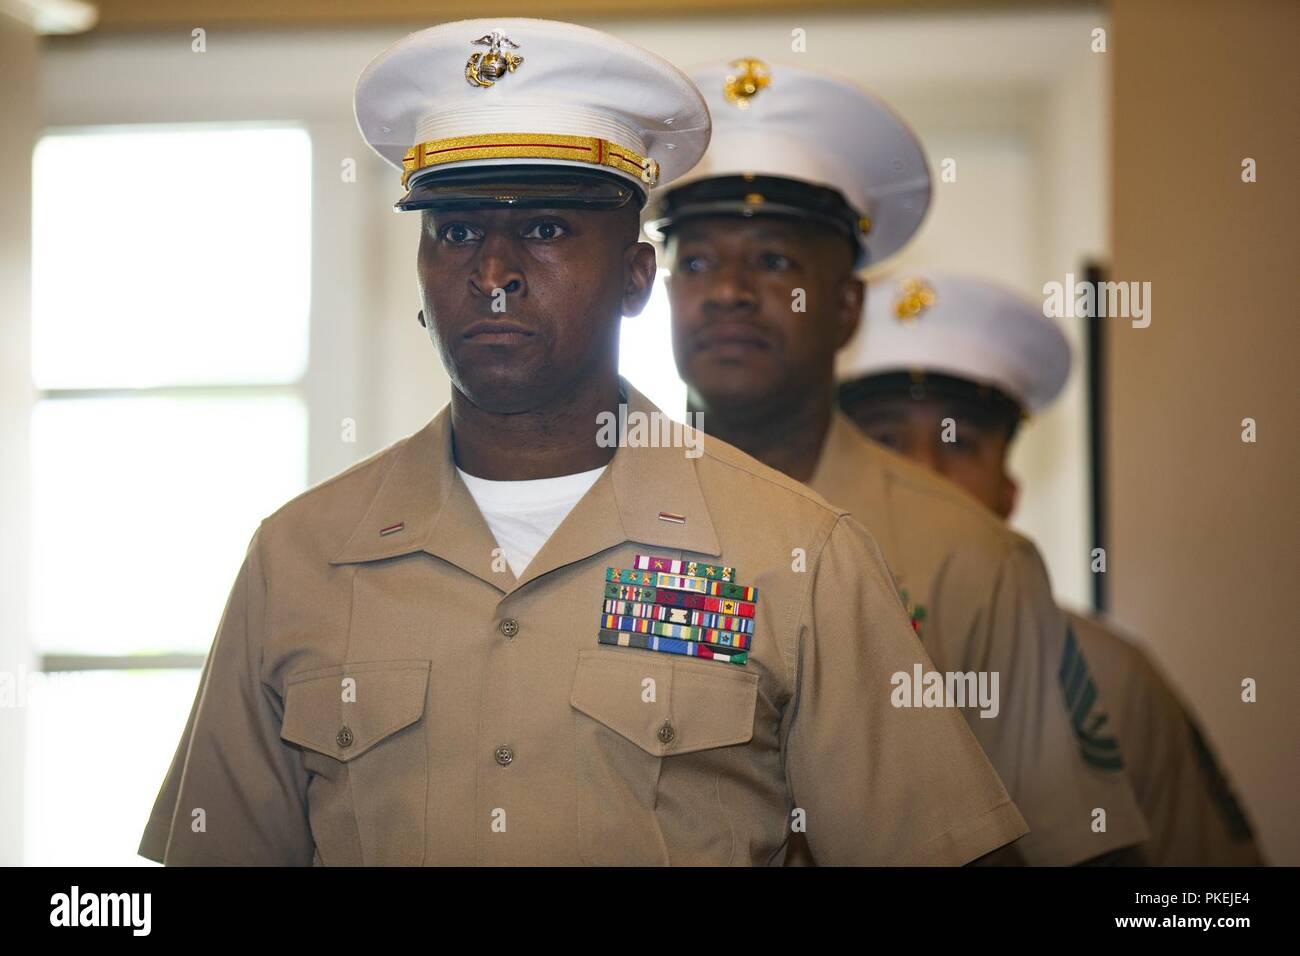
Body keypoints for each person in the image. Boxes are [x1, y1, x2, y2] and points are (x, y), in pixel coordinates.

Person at [137, 20, 1027, 866]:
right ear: (419, 273)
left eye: (546, 229)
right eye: (455, 232)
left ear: (638, 277)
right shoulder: (299, 558)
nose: (492, 271)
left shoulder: (796, 555)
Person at [651, 57, 1148, 864]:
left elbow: (1080, 845)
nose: (729, 290)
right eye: (698, 261)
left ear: (847, 306)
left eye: (774, 261)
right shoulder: (597, 524)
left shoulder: (975, 558)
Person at [838, 270, 1265, 865]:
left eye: (959, 443)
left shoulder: (1115, 679)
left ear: (1009, 491)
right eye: (884, 442)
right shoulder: (794, 650)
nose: (923, 479)